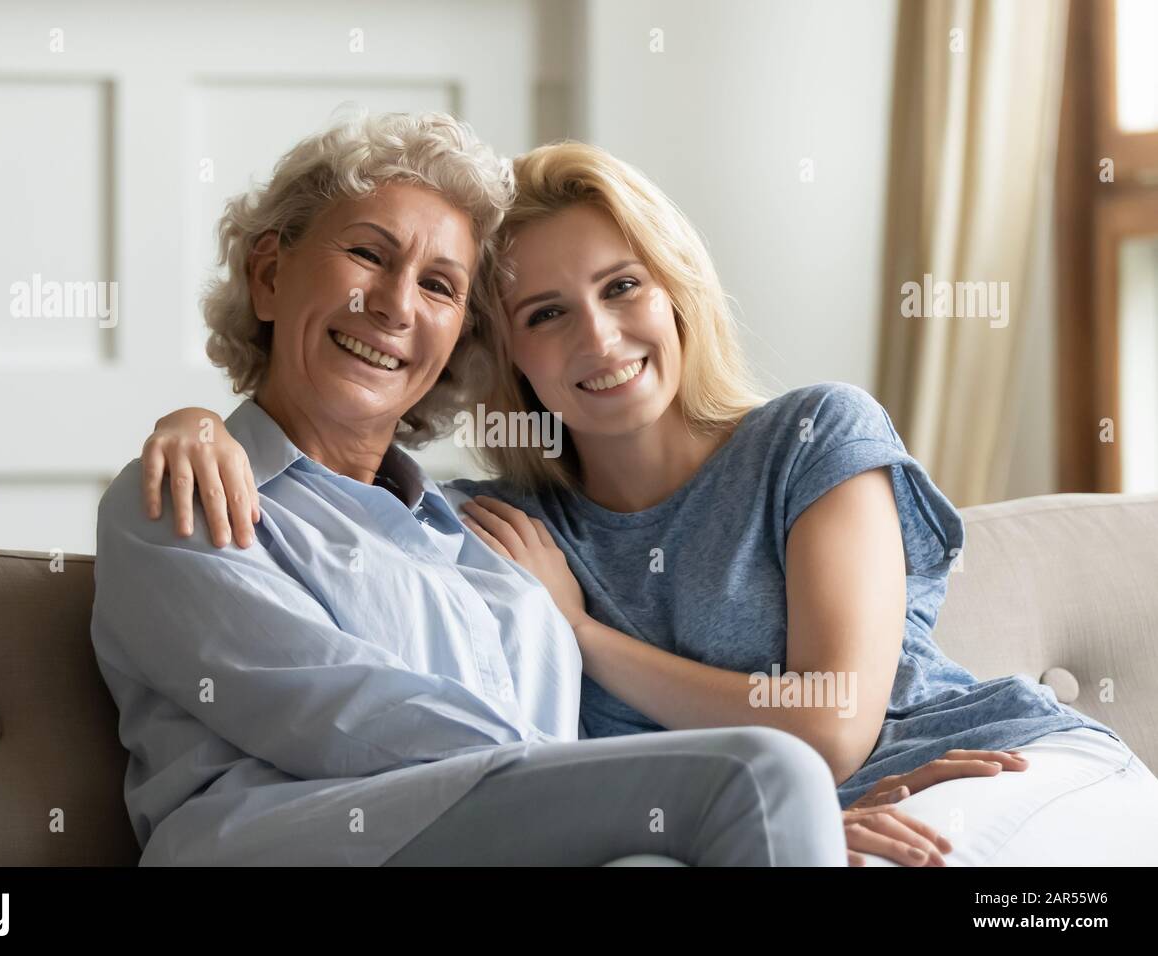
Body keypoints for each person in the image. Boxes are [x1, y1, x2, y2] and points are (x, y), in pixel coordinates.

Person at [148, 139, 1158, 866]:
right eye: (546, 313)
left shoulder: (812, 436)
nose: (598, 336)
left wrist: (583, 632)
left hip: (984, 766)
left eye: (622, 285)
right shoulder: (485, 530)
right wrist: (198, 421)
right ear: (505, 360)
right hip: (769, 829)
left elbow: (831, 724)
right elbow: (335, 493)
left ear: (675, 289)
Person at [92, 111, 872, 868]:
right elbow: (345, 717)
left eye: (439, 285)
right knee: (764, 774)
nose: (396, 305)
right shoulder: (181, 493)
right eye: (368, 254)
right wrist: (724, 800)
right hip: (300, 843)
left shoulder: (485, 534)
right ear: (269, 276)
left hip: (513, 839)